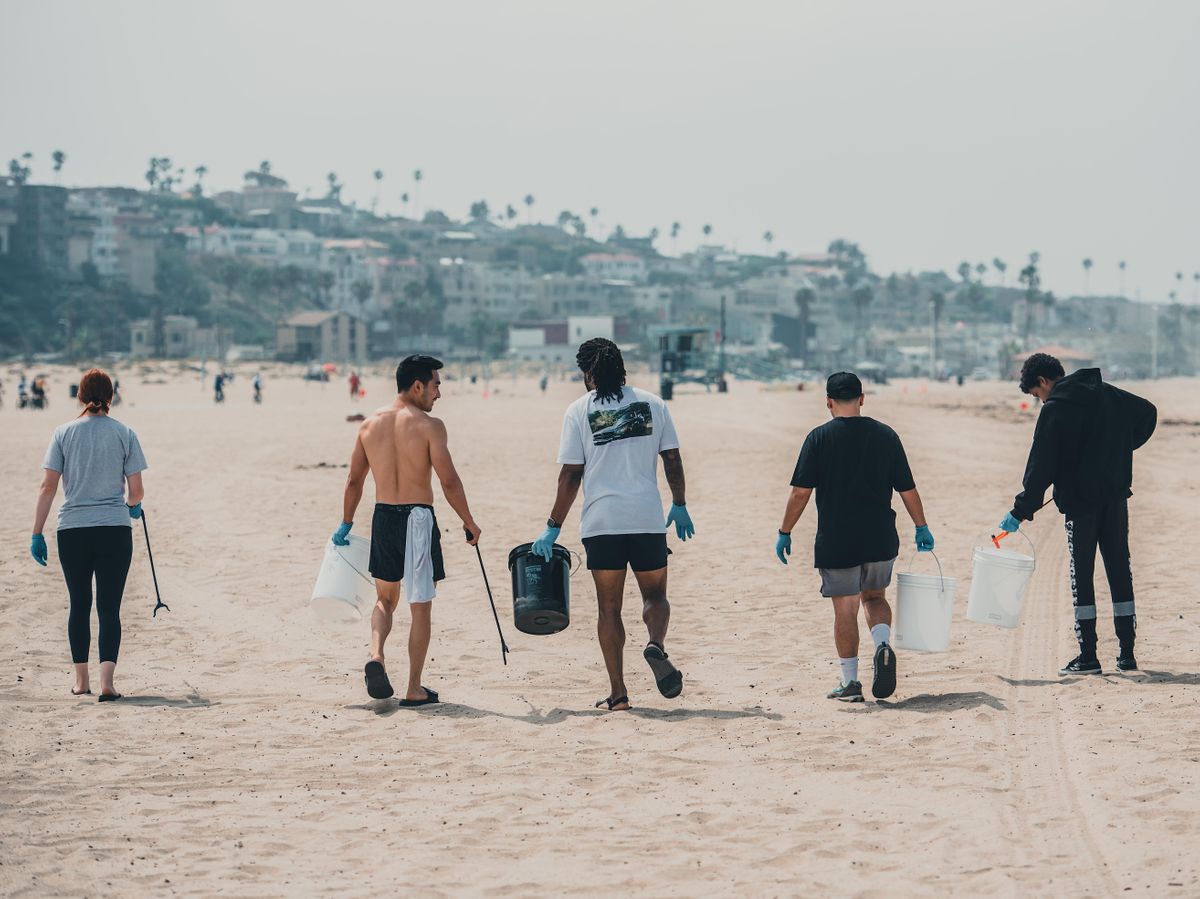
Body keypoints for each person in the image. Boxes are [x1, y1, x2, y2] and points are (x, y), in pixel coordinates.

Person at [530, 338, 694, 711]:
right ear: (621, 367)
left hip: (602, 524)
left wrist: (553, 525)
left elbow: (571, 475)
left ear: (588, 373)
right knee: (655, 596)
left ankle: (618, 694)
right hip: (646, 519)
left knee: (609, 610)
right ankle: (655, 644)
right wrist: (680, 503)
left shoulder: (577, 411)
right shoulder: (652, 403)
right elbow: (672, 458)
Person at [775, 371, 933, 703]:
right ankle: (883, 645)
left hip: (837, 539)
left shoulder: (818, 438)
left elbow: (800, 493)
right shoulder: (886, 435)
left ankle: (850, 684)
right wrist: (921, 526)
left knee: (845, 609)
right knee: (875, 598)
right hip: (880, 537)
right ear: (862, 398)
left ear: (829, 402)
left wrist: (785, 531)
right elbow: (907, 489)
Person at [333, 355, 481, 705]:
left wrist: (346, 522)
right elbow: (449, 481)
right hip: (417, 518)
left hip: (384, 516)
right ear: (417, 386)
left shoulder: (369, 425)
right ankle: (414, 689)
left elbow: (354, 480)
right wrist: (469, 522)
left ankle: (376, 655)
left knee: (385, 600)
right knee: (420, 606)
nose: (438, 394)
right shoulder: (430, 426)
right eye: (436, 385)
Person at [998, 354, 1156, 675]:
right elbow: (1147, 413)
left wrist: (1021, 510)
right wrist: (1116, 451)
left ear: (1043, 381)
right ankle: (1127, 654)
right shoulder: (1107, 393)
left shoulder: (1056, 408)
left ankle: (1088, 657)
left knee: (1081, 575)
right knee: (1118, 571)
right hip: (1114, 498)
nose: (1039, 401)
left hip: (1081, 505)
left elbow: (1040, 467)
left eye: (1035, 395)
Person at [30, 368, 147, 701]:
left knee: (79, 604)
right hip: (114, 529)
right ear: (111, 397)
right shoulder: (125, 432)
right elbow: (136, 491)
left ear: (80, 396)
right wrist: (132, 507)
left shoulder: (63, 433)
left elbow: (48, 486)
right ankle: (107, 683)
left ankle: (81, 682)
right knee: (110, 608)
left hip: (73, 531)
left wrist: (36, 532)